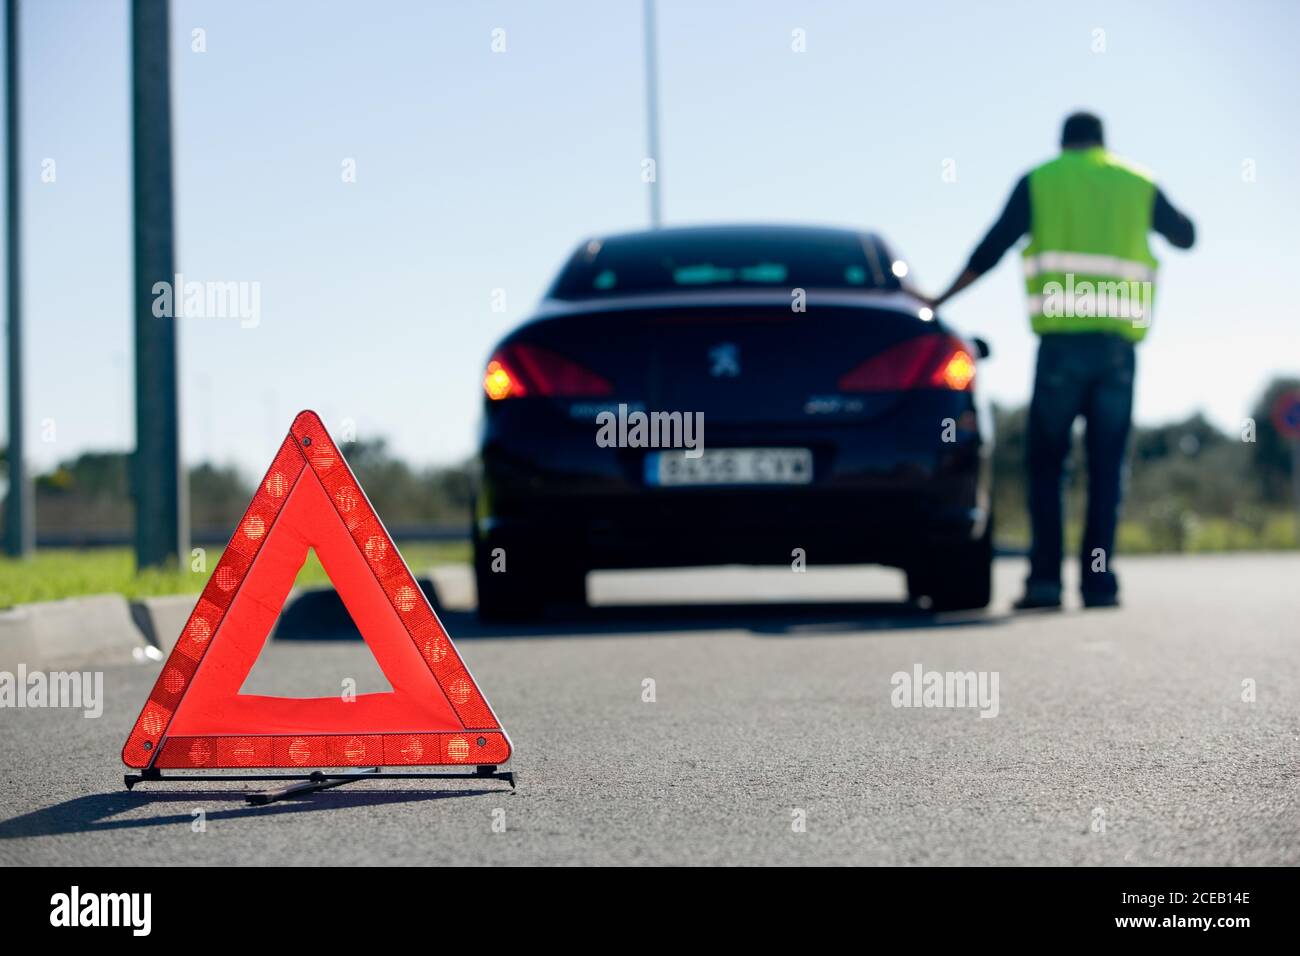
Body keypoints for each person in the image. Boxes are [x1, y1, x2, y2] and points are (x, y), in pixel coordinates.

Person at [924, 112, 1195, 609]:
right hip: (1117, 348)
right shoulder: (1137, 182)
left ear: (1063, 142)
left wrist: (939, 299)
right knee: (1107, 466)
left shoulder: (1040, 181)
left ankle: (1046, 582)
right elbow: (1186, 236)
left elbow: (992, 247)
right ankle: (1099, 582)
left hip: (1060, 350)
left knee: (1049, 466)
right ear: (1102, 141)